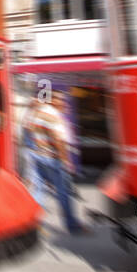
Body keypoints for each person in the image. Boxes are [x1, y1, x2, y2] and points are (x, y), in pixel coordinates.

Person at [22, 87, 86, 236]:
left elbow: (26, 129)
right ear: (51, 100)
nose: (63, 102)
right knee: (63, 193)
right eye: (59, 99)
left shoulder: (35, 112)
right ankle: (72, 225)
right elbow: (59, 141)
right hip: (52, 158)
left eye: (63, 100)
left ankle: (33, 223)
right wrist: (66, 161)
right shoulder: (54, 115)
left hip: (36, 156)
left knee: (38, 191)